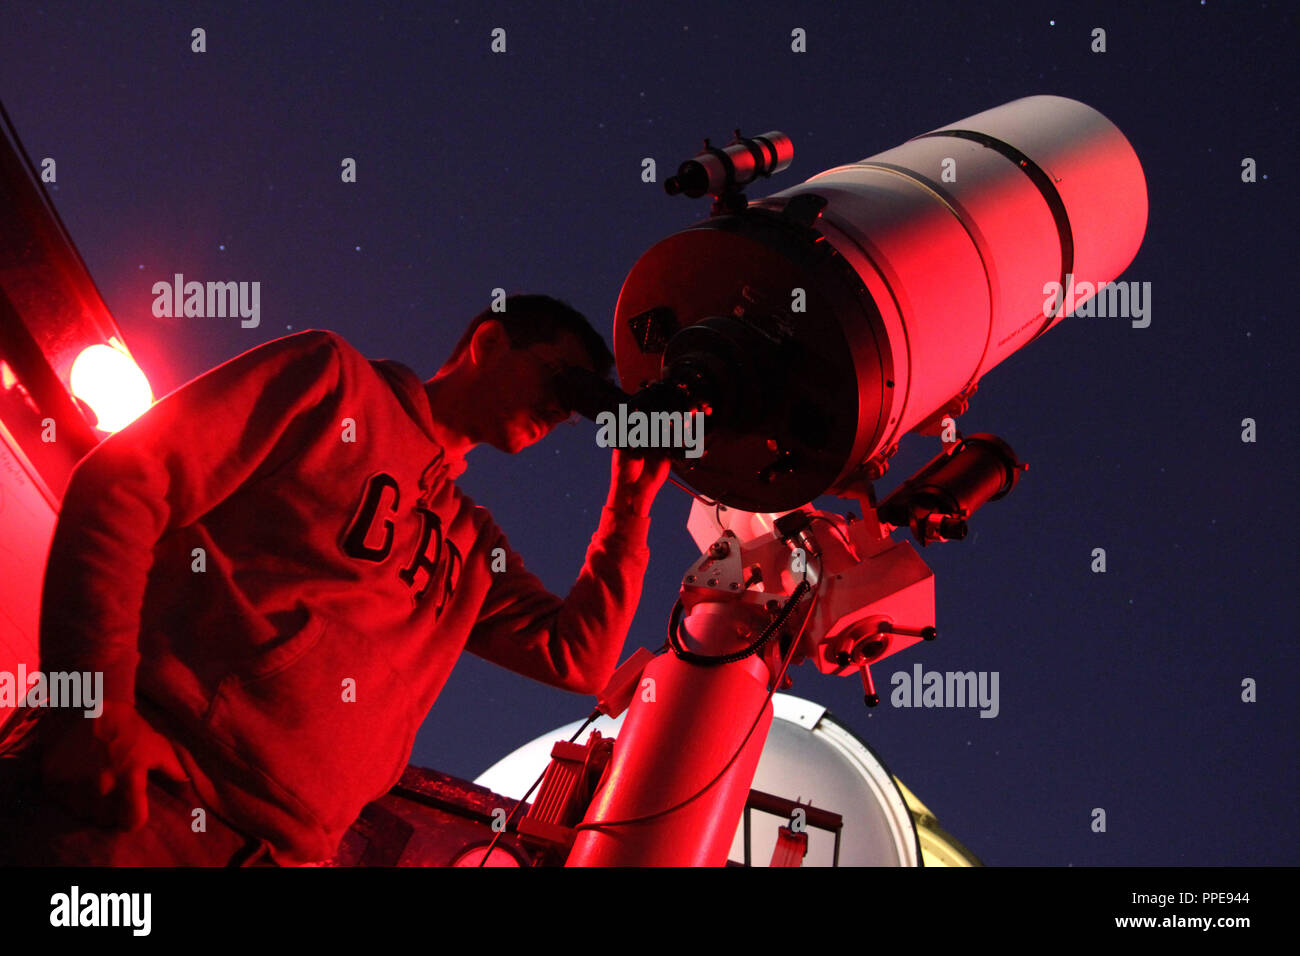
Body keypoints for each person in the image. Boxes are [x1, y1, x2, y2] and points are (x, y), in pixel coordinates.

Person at [0, 294, 669, 865]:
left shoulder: (470, 543)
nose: (562, 411)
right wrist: (91, 708)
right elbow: (125, 483)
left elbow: (578, 657)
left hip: (276, 850)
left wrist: (630, 508)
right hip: (144, 802)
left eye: (580, 404)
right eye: (559, 379)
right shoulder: (333, 381)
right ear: (488, 342)